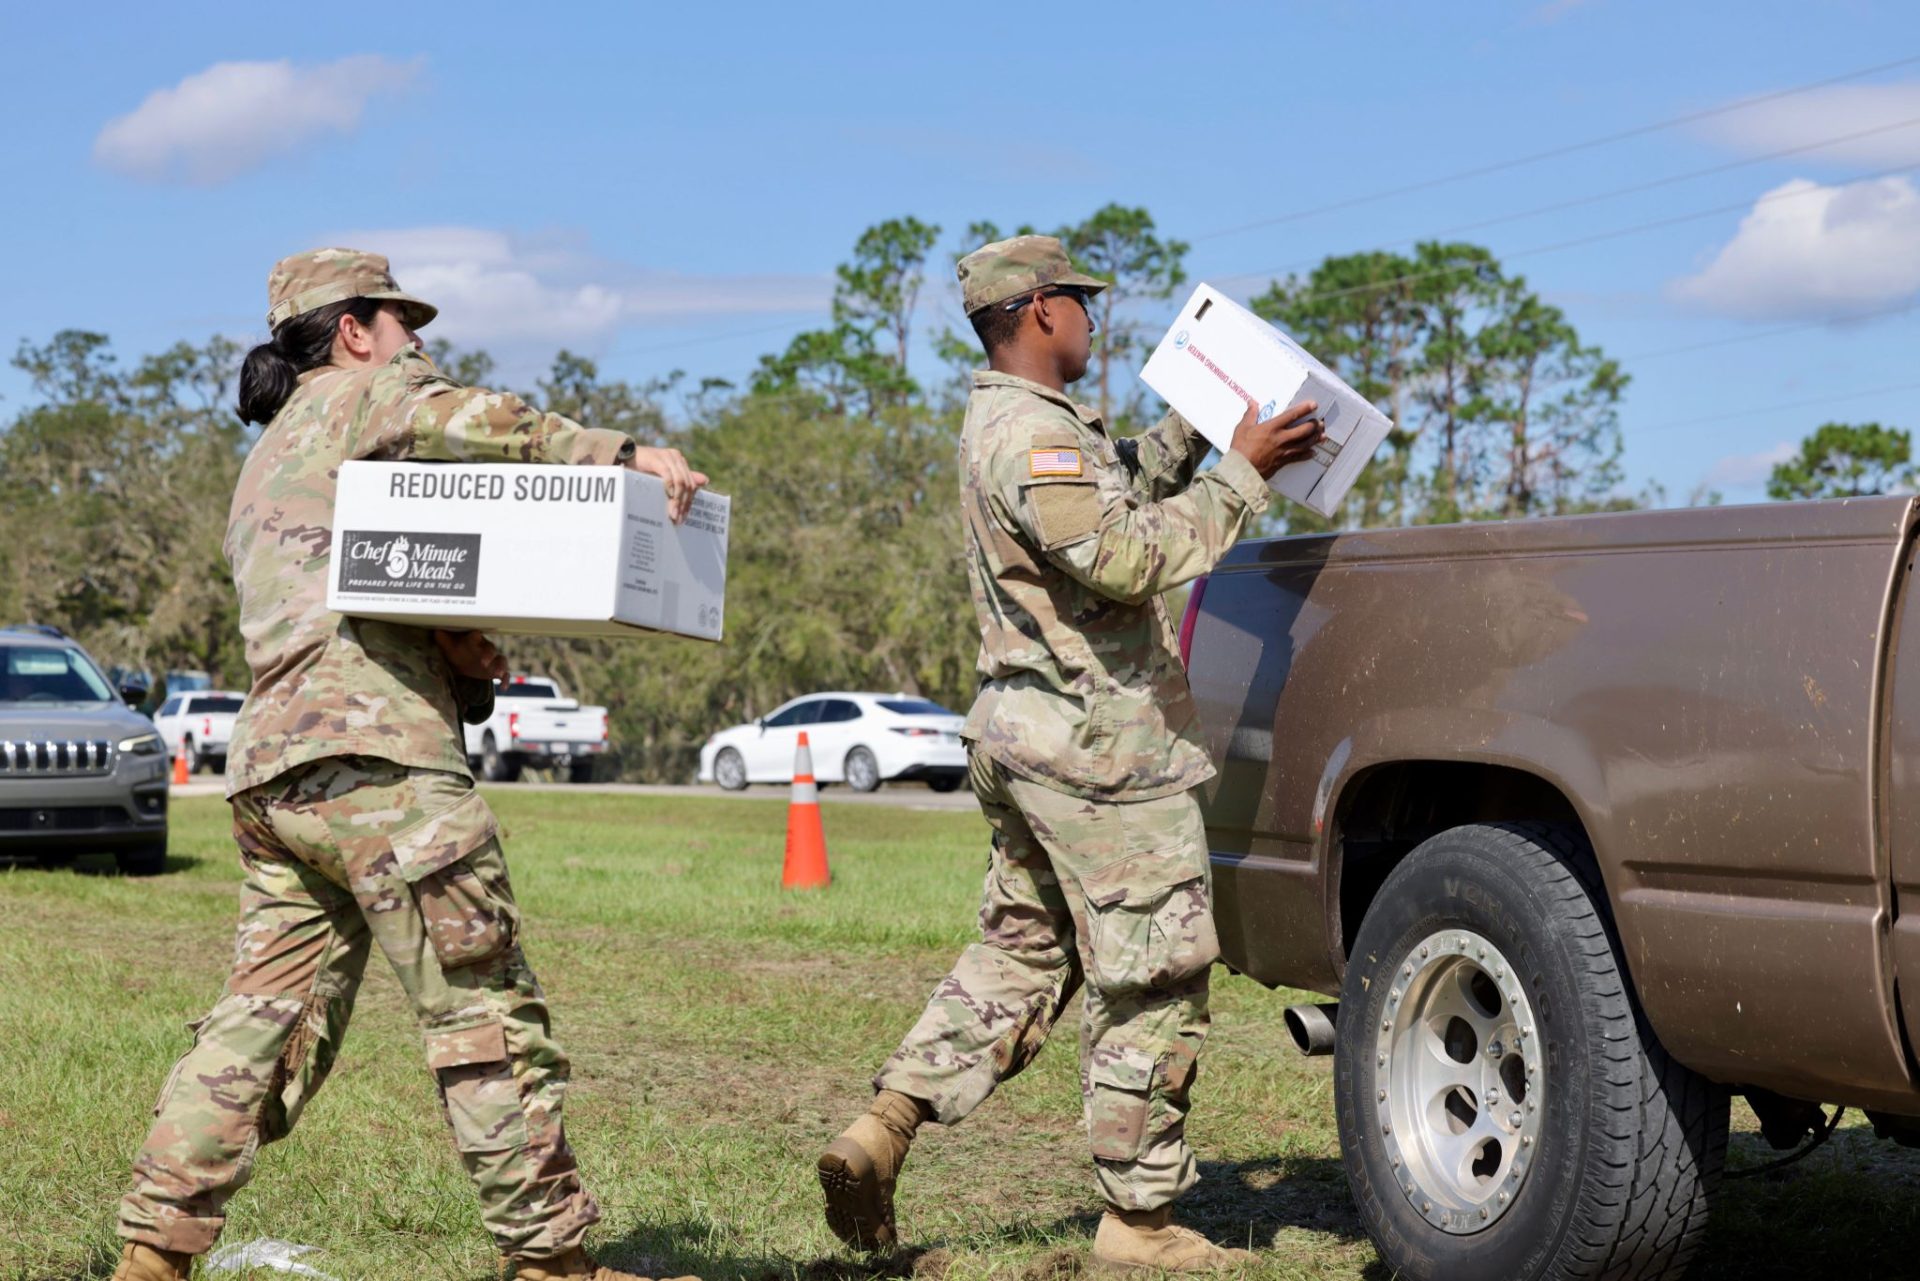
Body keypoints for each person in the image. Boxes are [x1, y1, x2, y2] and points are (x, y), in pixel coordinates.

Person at [110, 249, 705, 1281]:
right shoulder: (370, 394)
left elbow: (358, 596)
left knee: (257, 1025)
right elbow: (479, 420)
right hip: (381, 765)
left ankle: (153, 1252)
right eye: (402, 322)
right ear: (352, 330)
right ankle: (553, 1263)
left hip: (272, 774)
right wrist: (624, 452)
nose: (418, 341)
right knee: (483, 1014)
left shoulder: (269, 455)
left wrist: (456, 651)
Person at [816, 235, 1324, 1273]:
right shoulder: (1033, 440)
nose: (1095, 320)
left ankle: (885, 1128)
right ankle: (1139, 1224)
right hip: (1099, 756)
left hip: (1035, 741)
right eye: (1084, 303)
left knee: (1022, 952)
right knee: (1154, 975)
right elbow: (1127, 556)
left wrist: (1196, 434)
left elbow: (1114, 497)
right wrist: (1245, 476)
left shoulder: (1030, 427)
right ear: (1041, 310)